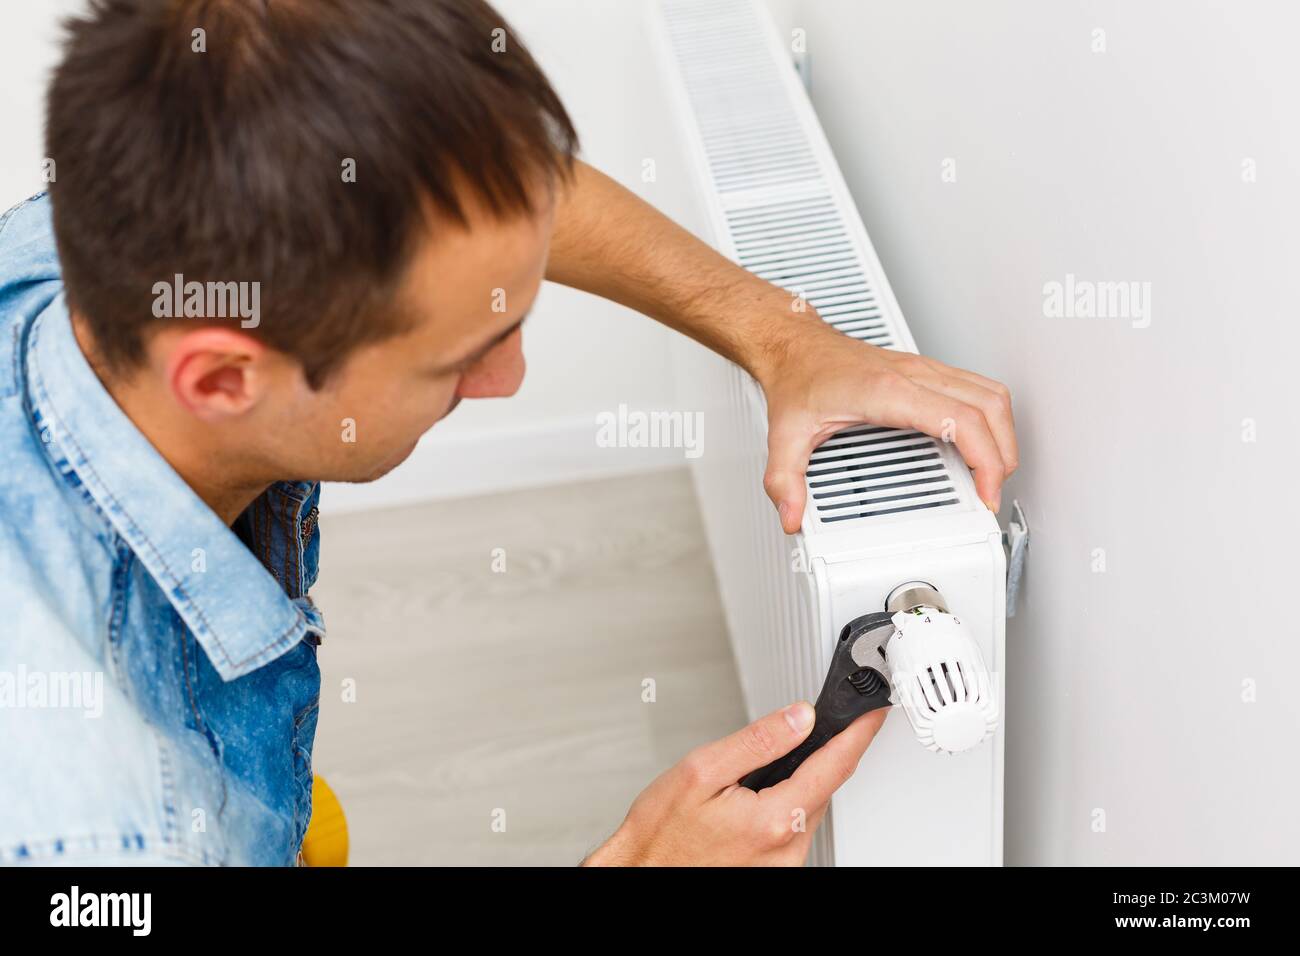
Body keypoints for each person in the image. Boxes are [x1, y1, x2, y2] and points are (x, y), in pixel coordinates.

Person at [0, 0, 1016, 866]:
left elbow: (507, 194)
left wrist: (780, 332)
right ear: (224, 375)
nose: (508, 377)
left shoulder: (136, 225)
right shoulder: (108, 822)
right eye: (460, 355)